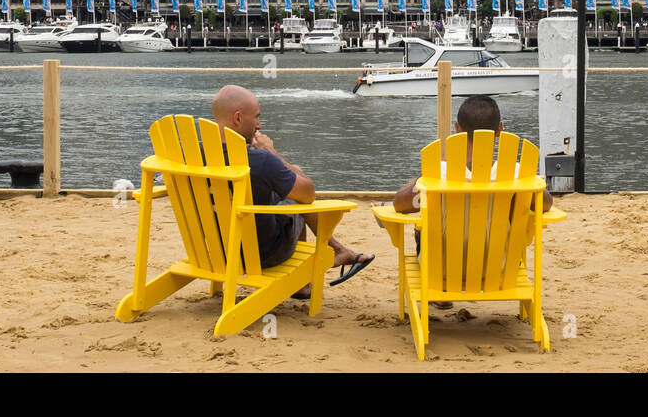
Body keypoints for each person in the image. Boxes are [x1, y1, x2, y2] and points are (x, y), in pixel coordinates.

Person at [211, 85, 372, 286]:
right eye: (256, 117)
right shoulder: (261, 161)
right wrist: (271, 152)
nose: (259, 125)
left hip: (213, 253)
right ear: (237, 118)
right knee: (295, 195)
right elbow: (308, 193)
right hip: (262, 256)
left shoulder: (193, 155)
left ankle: (338, 251)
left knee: (280, 184)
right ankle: (307, 280)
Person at [391, 95, 553, 214]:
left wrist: (424, 175)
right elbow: (546, 204)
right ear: (500, 129)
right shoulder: (517, 173)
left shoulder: (439, 172)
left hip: (443, 259)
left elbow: (399, 204)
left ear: (457, 128)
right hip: (500, 259)